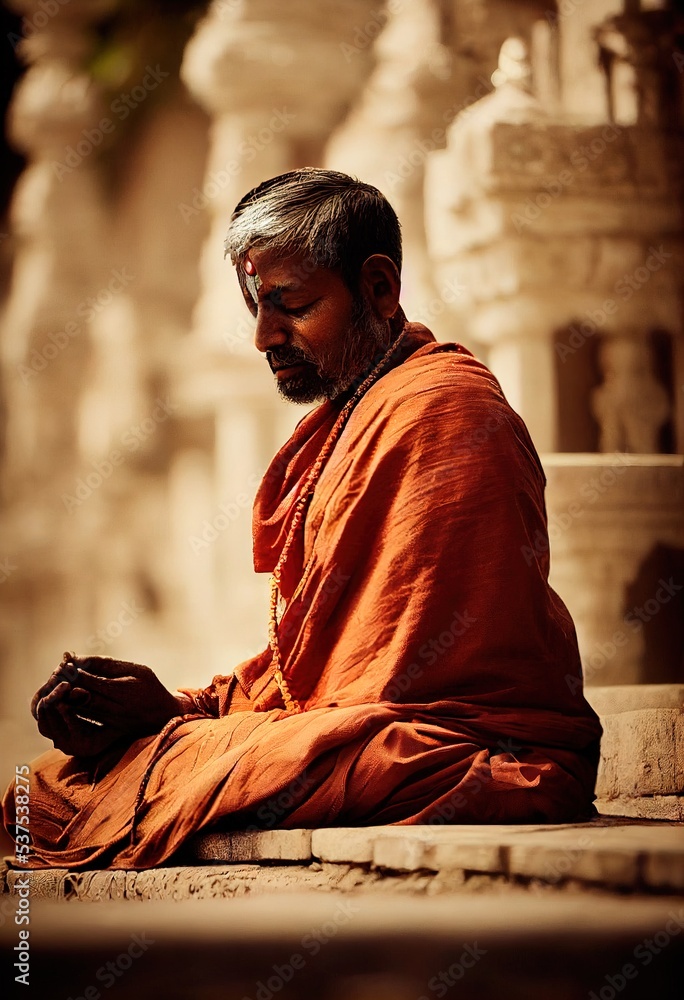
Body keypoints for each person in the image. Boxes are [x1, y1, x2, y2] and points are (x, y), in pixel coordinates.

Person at [4, 169, 601, 869]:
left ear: (378, 288)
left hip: (469, 745)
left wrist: (198, 732)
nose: (263, 336)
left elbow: (401, 683)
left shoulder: (448, 413)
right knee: (50, 785)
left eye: (291, 305)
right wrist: (173, 708)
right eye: (256, 307)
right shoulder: (352, 415)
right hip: (348, 731)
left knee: (156, 773)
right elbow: (303, 670)